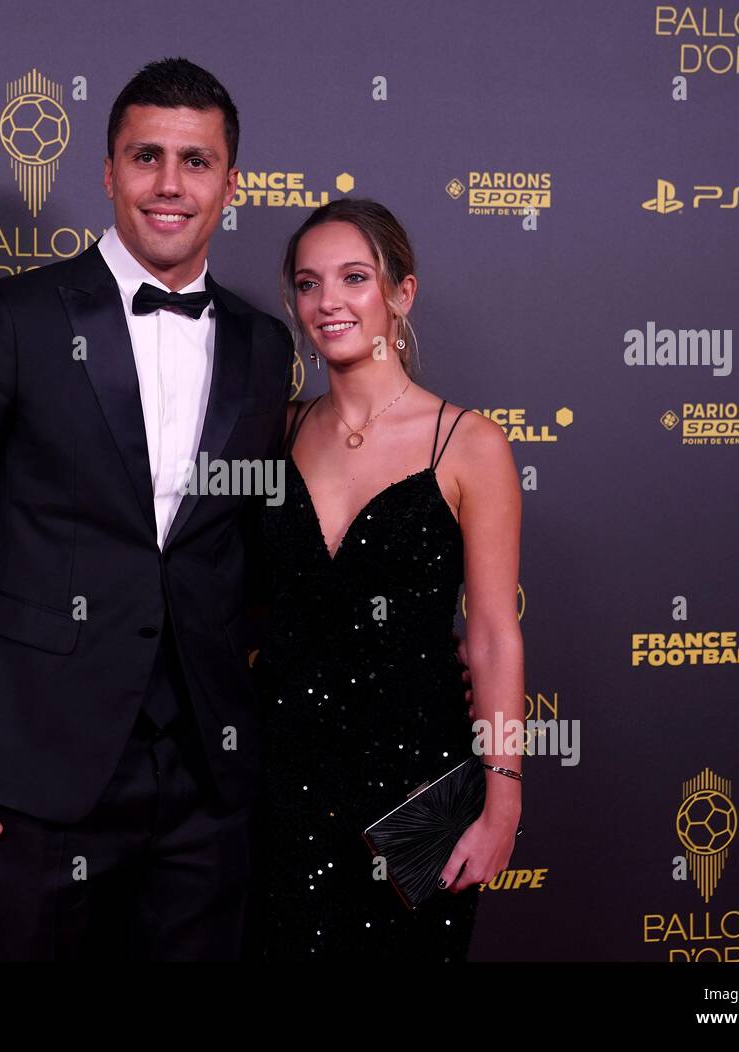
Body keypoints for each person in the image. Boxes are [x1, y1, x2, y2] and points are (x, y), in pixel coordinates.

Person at [0, 57, 295, 959]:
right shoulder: (11, 320)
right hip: (36, 769)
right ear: (107, 173)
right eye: (146, 157)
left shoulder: (266, 347)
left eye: (197, 160)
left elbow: (252, 547)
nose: (170, 185)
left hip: (207, 777)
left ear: (232, 182)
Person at [242, 198, 524, 961]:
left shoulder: (469, 444)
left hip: (414, 786)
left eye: (353, 277)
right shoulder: (279, 431)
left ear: (401, 294)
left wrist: (502, 797)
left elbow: (495, 634)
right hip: (280, 778)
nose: (328, 301)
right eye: (308, 283)